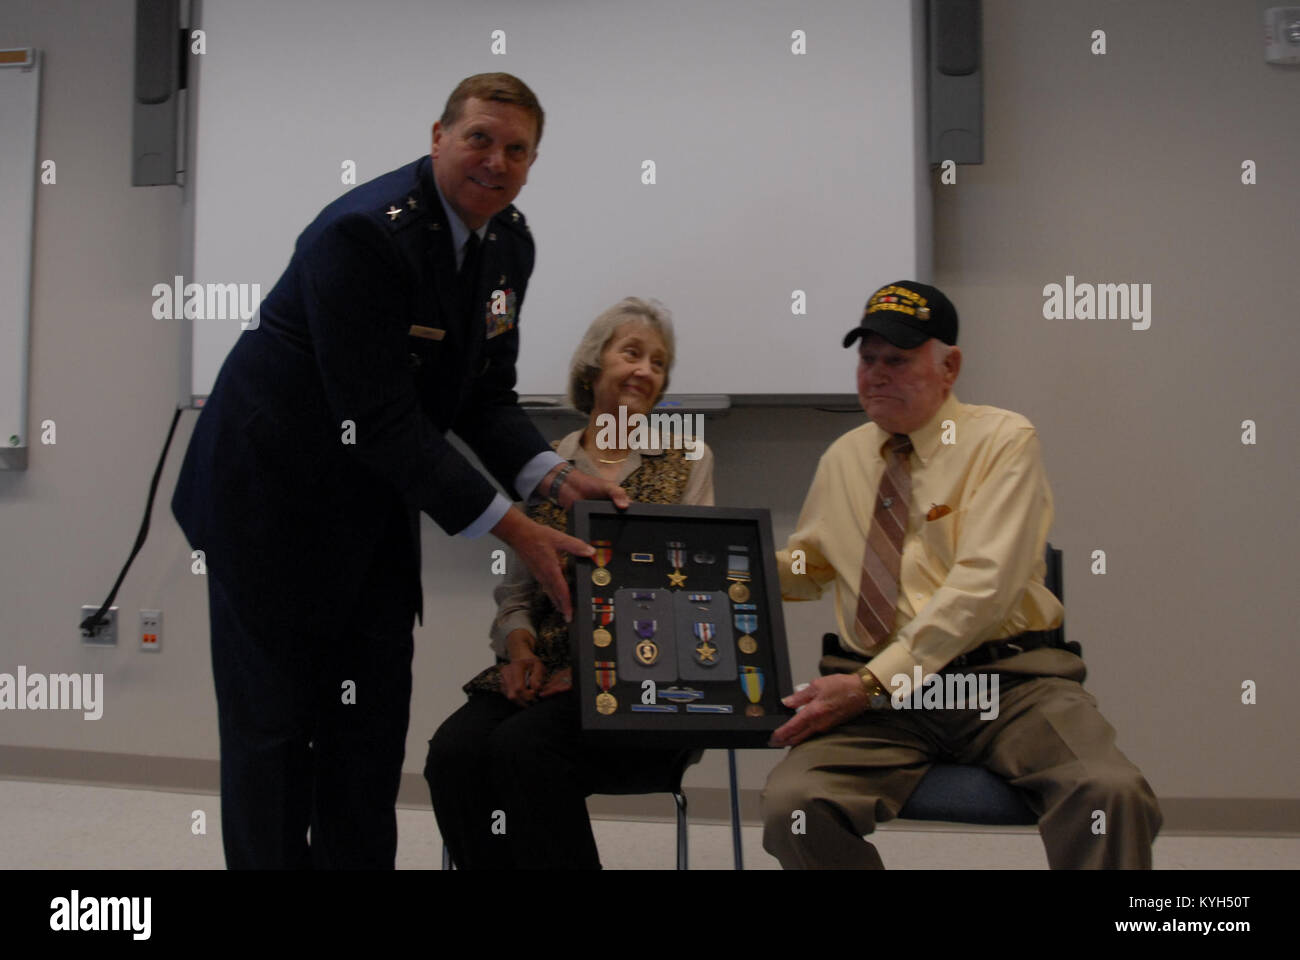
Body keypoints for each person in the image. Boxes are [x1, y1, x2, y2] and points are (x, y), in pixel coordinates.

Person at [170, 73, 628, 869]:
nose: (496, 161)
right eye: (479, 138)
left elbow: (482, 394)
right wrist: (517, 530)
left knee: (368, 729)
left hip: (372, 504)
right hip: (267, 503)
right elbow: (375, 419)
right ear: (438, 137)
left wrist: (550, 476)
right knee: (275, 735)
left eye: (517, 149)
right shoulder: (363, 235)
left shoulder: (508, 243)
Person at [761, 281, 1162, 869]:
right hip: (880, 705)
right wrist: (722, 566)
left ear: (949, 366)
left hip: (1008, 684)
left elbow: (983, 588)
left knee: (1109, 792)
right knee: (794, 806)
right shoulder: (844, 456)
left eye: (896, 360)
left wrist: (874, 682)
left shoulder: (1002, 440)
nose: (876, 374)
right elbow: (811, 566)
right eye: (867, 359)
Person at [425, 297, 715, 869]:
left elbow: (692, 590)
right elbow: (516, 588)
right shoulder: (548, 464)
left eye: (659, 363)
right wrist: (518, 647)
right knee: (454, 753)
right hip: (544, 672)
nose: (646, 371)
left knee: (523, 748)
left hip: (644, 680)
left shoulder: (689, 458)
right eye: (632, 353)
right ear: (592, 365)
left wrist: (590, 668)